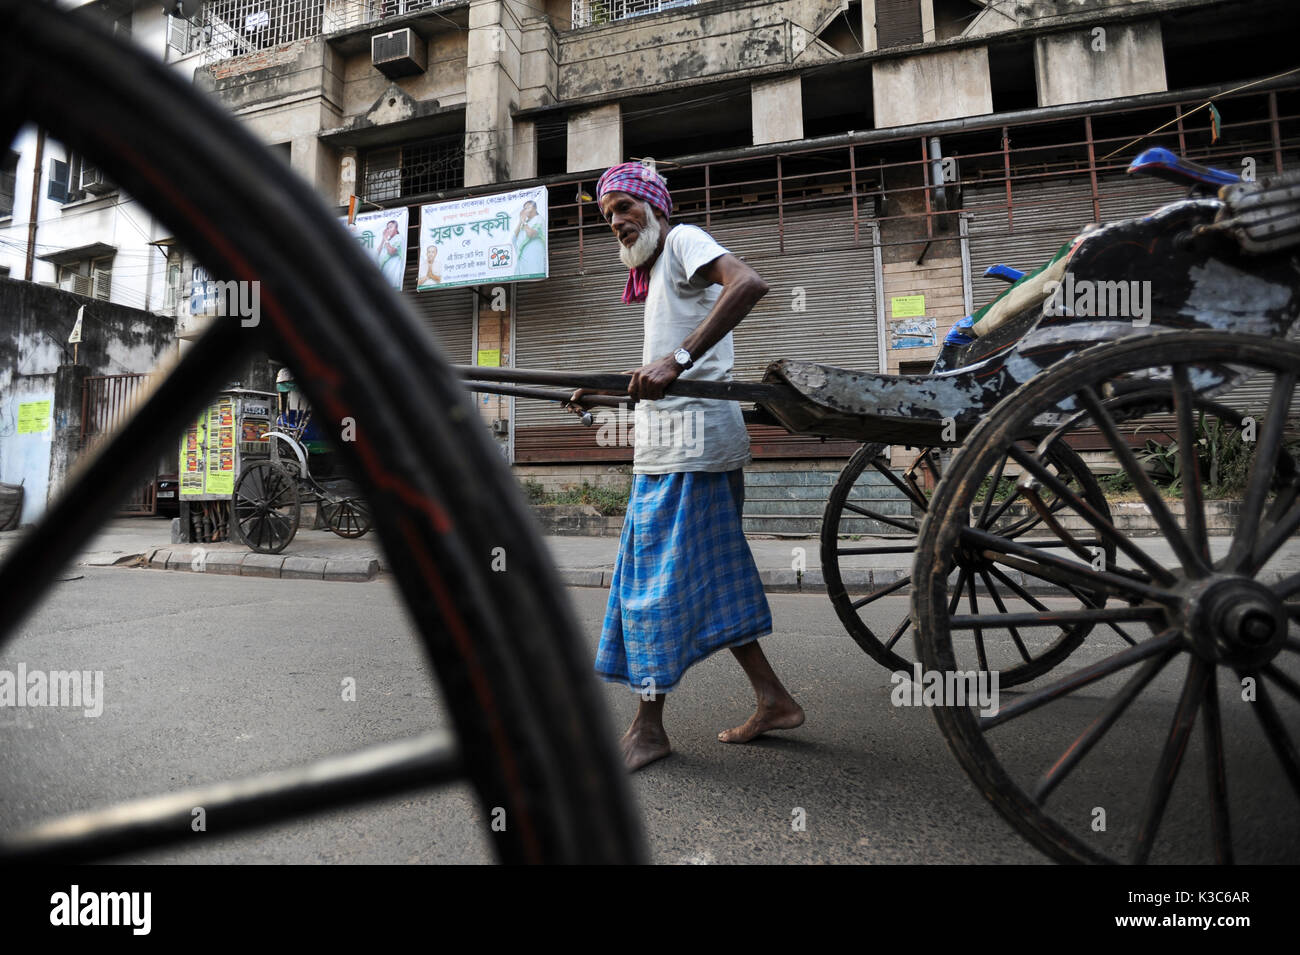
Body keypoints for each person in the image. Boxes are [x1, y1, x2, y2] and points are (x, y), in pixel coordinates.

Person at [569, 162, 804, 772]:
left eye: (625, 207)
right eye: (607, 215)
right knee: (707, 576)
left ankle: (648, 729)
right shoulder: (659, 273)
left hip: (688, 451)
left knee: (648, 588)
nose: (617, 222)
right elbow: (661, 379)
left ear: (654, 204)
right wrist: (607, 395)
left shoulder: (681, 240)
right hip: (683, 443)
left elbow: (748, 284)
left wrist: (673, 360)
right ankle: (773, 698)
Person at [513, 200, 546, 276]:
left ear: (534, 208)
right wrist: (521, 221)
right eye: (524, 208)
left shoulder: (539, 219)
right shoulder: (526, 222)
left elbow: (531, 234)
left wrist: (524, 223)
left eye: (528, 208)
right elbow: (514, 237)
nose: (525, 210)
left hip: (534, 253)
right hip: (524, 255)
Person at [376, 219, 404, 289]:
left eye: (391, 227)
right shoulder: (387, 241)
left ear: (396, 229)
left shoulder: (399, 237)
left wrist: (386, 239)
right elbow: (377, 253)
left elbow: (391, 252)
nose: (388, 229)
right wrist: (383, 239)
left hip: (393, 273)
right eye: (387, 228)